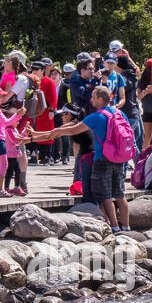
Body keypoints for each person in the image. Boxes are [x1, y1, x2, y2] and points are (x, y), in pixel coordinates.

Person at [42, 85, 132, 230]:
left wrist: (52, 133)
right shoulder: (120, 113)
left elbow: (73, 130)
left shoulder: (97, 116)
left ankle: (115, 227)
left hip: (102, 158)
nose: (91, 99)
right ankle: (127, 227)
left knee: (106, 195)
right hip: (119, 157)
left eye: (93, 97)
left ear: (101, 99)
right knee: (120, 194)